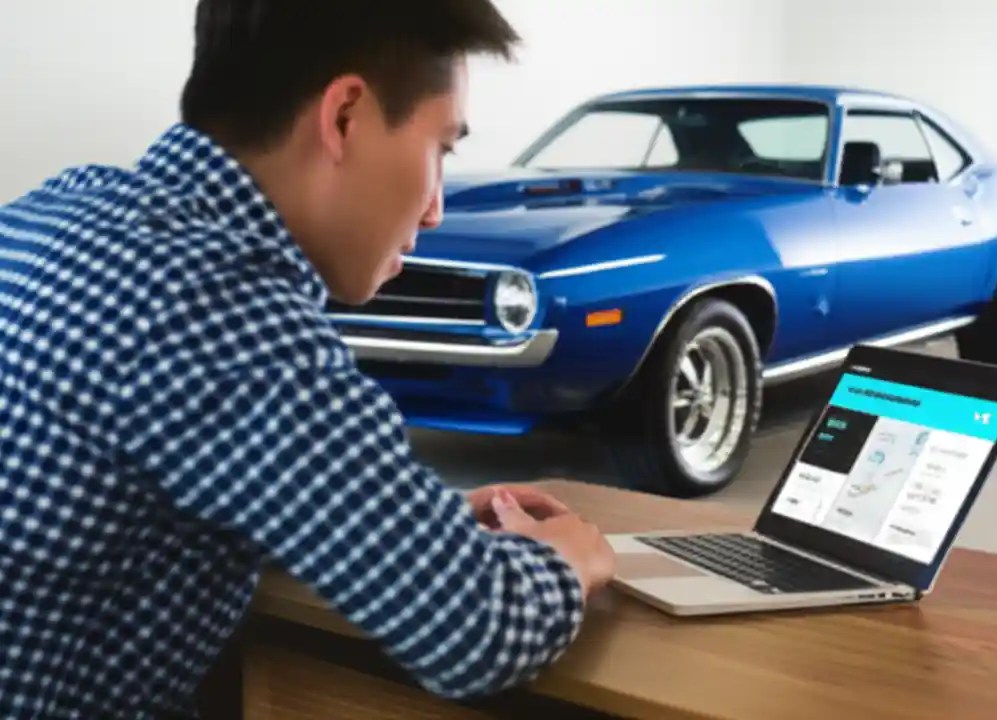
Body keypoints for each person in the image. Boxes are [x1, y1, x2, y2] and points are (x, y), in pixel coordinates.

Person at [0, 0, 616, 716]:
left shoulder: (57, 209)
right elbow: (475, 626)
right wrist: (575, 554)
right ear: (345, 115)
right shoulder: (220, 305)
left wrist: (404, 519)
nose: (435, 209)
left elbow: (127, 498)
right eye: (441, 149)